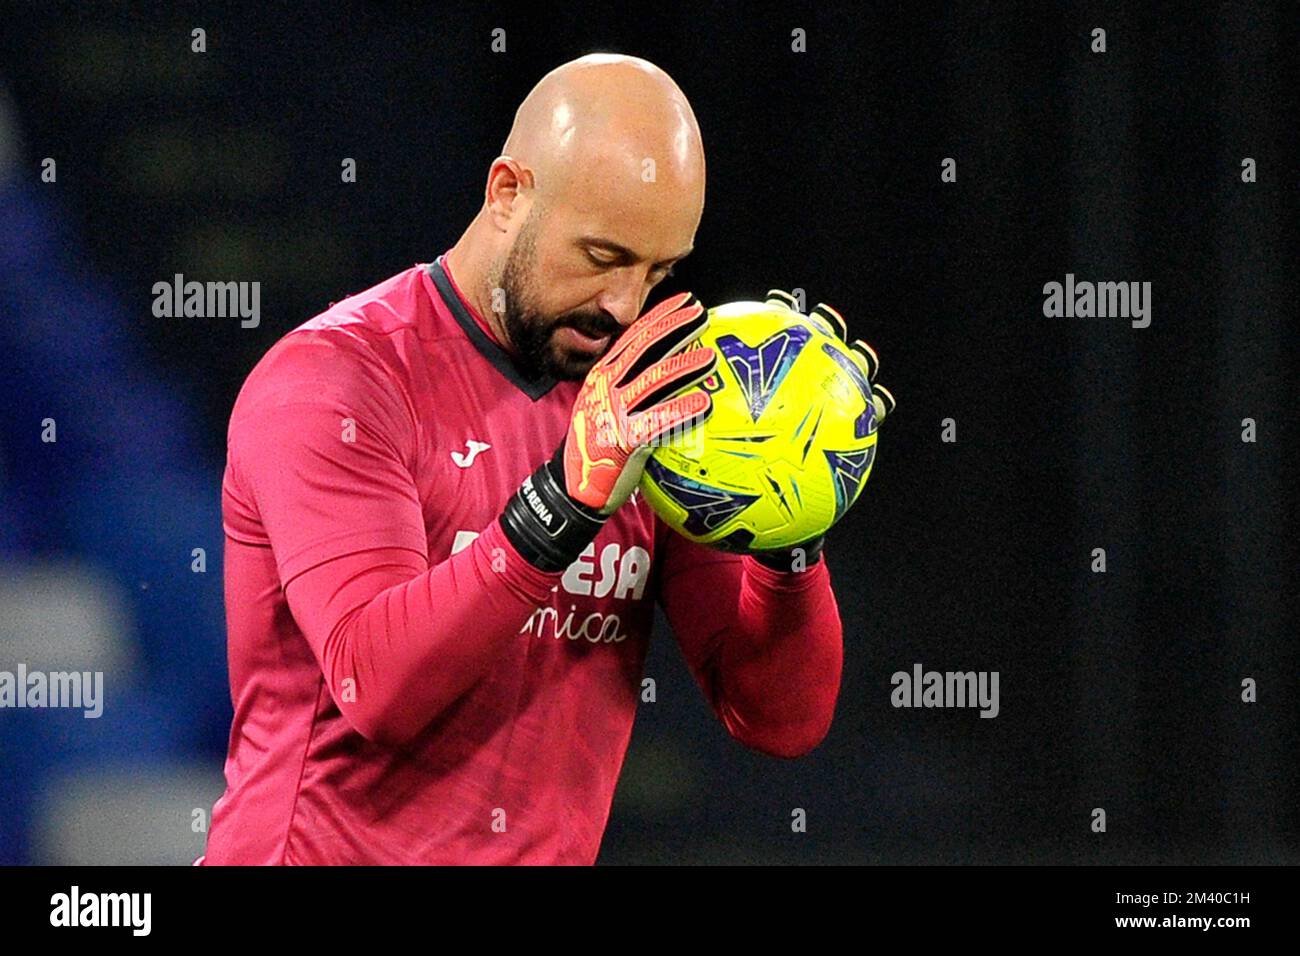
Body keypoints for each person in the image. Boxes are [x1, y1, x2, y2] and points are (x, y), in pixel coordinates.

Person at [203, 53, 885, 865]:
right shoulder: (334, 381)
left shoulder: (642, 400)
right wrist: (564, 503)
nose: (625, 306)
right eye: (602, 257)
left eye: (659, 270)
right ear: (507, 194)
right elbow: (373, 685)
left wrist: (790, 527)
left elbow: (777, 719)